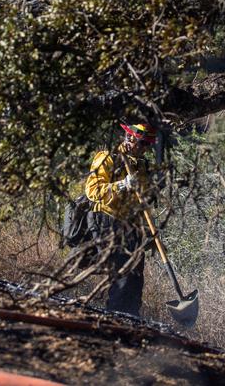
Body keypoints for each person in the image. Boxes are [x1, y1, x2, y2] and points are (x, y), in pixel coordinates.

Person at [83, 122, 159, 316]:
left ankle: (130, 318)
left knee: (135, 277)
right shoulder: (107, 158)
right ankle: (116, 318)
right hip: (106, 219)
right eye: (142, 143)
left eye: (148, 145)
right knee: (123, 272)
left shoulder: (141, 165)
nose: (145, 148)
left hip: (130, 225)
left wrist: (149, 232)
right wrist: (121, 185)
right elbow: (92, 192)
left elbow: (140, 202)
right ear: (130, 137)